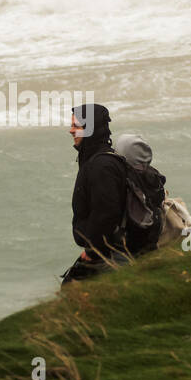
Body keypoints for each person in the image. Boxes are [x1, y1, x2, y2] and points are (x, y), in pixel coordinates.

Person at [60, 103, 129, 286]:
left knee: (71, 289)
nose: (71, 131)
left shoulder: (101, 166)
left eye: (76, 126)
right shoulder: (97, 159)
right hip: (109, 248)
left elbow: (107, 214)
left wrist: (92, 252)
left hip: (114, 252)